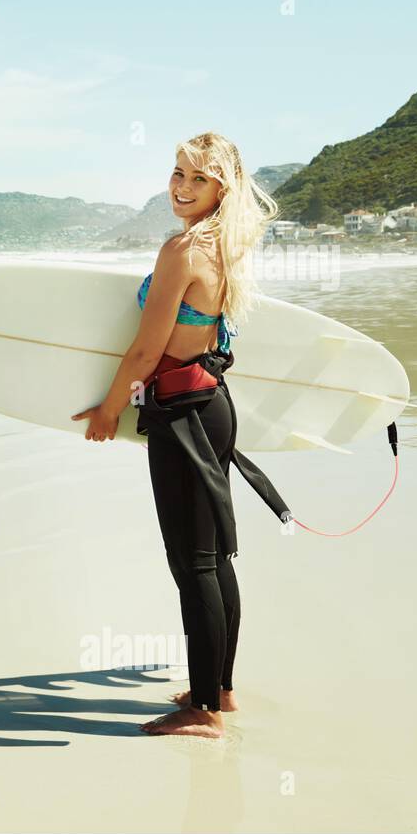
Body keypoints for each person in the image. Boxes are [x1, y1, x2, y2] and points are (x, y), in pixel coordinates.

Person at [72, 131, 281, 738]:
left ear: (223, 187)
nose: (181, 188)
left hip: (181, 412)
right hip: (212, 404)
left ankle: (203, 712)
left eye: (198, 179)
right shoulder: (229, 246)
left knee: (192, 565)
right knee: (214, 557)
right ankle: (222, 690)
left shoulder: (183, 250)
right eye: (177, 174)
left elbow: (145, 350)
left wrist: (110, 409)